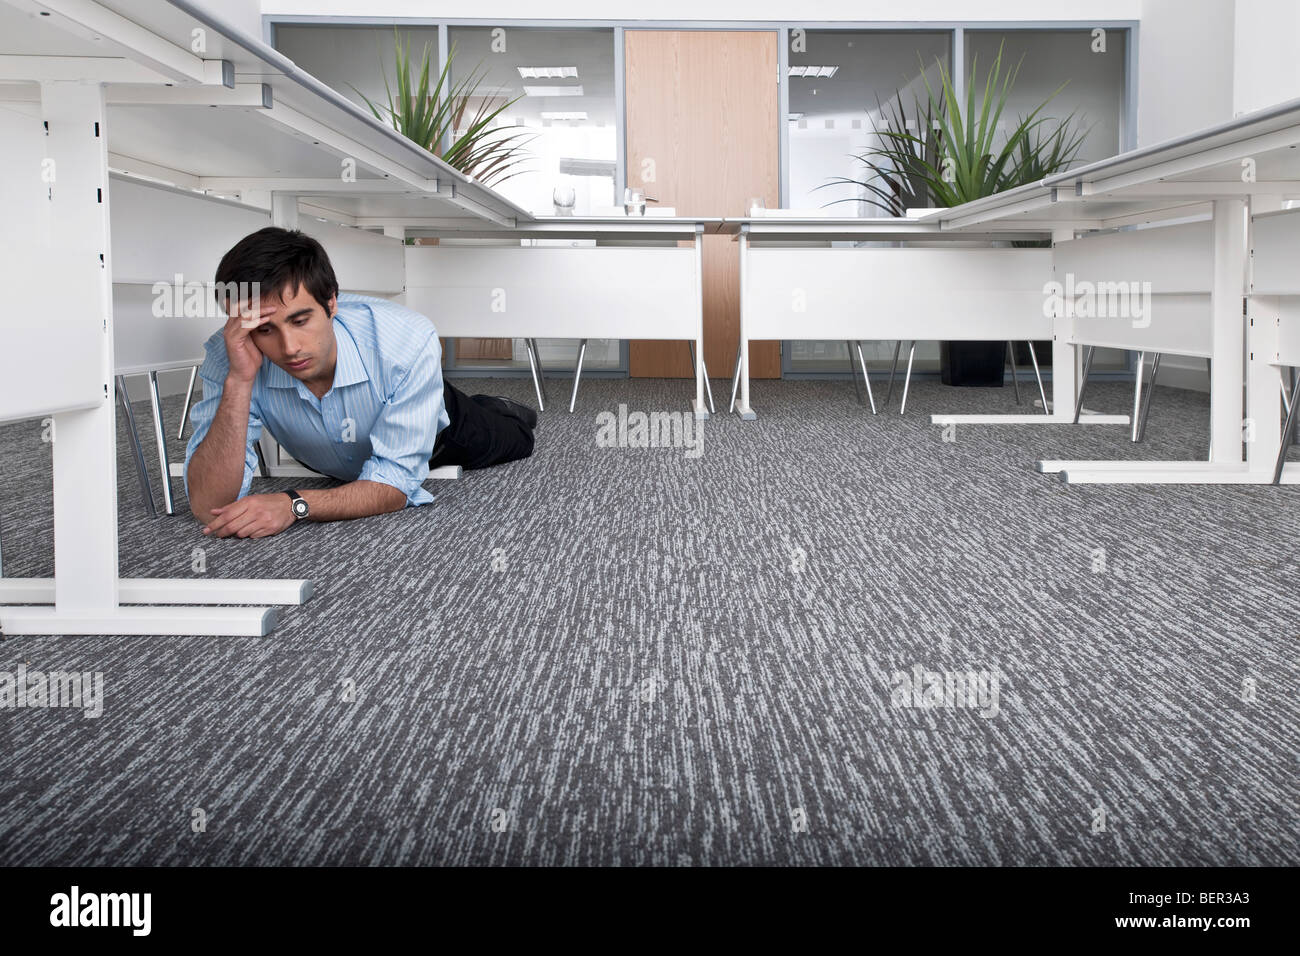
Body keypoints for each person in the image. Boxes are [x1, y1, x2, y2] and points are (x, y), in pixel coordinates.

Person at [184, 226, 536, 539]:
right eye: (264, 329)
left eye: (301, 320)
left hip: (439, 432)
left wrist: (295, 504)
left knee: (519, 440)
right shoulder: (230, 356)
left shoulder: (405, 341)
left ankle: (498, 406)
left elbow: (394, 483)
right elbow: (210, 504)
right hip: (334, 456)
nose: (290, 348)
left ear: (331, 302)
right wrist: (240, 381)